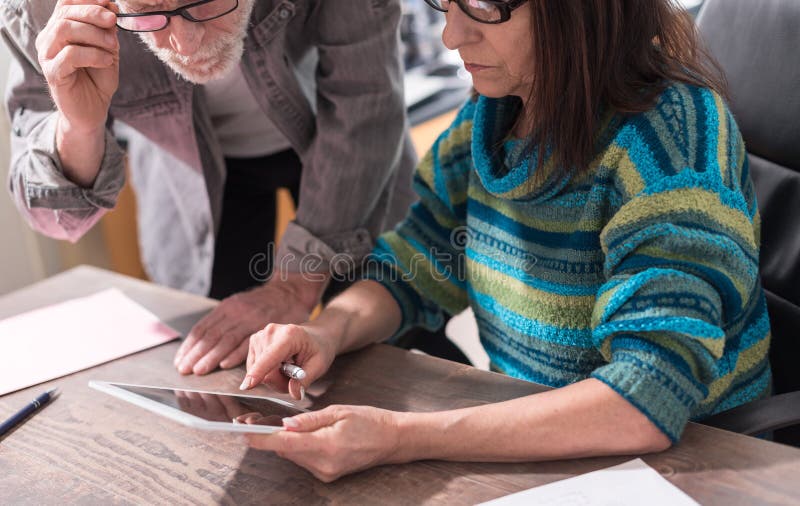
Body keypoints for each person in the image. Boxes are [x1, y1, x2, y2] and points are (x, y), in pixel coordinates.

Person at [238, 0, 772, 482]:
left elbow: (647, 396)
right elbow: (418, 259)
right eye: (445, 3)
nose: (451, 35)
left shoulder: (671, 139)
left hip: (683, 467)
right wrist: (325, 332)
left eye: (483, 6)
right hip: (537, 450)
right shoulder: (493, 113)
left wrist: (401, 437)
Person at [1, 0, 468, 371]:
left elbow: (364, 103)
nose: (182, 44)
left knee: (396, 335)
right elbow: (57, 219)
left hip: (336, 136)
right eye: (146, 13)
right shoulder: (39, 8)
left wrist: (293, 285)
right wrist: (79, 127)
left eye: (202, 5)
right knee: (218, 359)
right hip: (188, 173)